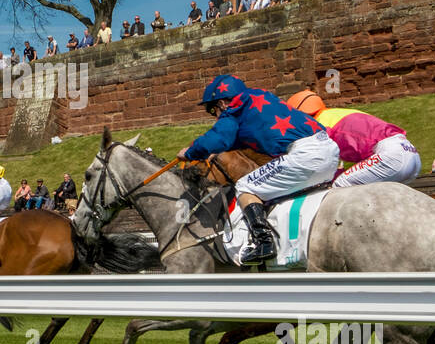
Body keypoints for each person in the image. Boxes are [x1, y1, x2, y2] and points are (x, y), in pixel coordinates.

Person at [179, 75, 338, 264]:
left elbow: (219, 139)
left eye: (213, 110)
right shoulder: (260, 97)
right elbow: (239, 138)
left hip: (305, 156)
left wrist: (190, 152)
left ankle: (264, 243)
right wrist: (214, 150)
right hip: (330, 151)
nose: (216, 116)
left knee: (245, 186)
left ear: (221, 102)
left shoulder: (234, 109)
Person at [287, 91, 421, 187]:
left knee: (340, 185)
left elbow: (319, 161)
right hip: (411, 154)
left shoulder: (319, 123)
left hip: (391, 155)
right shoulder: (338, 112)